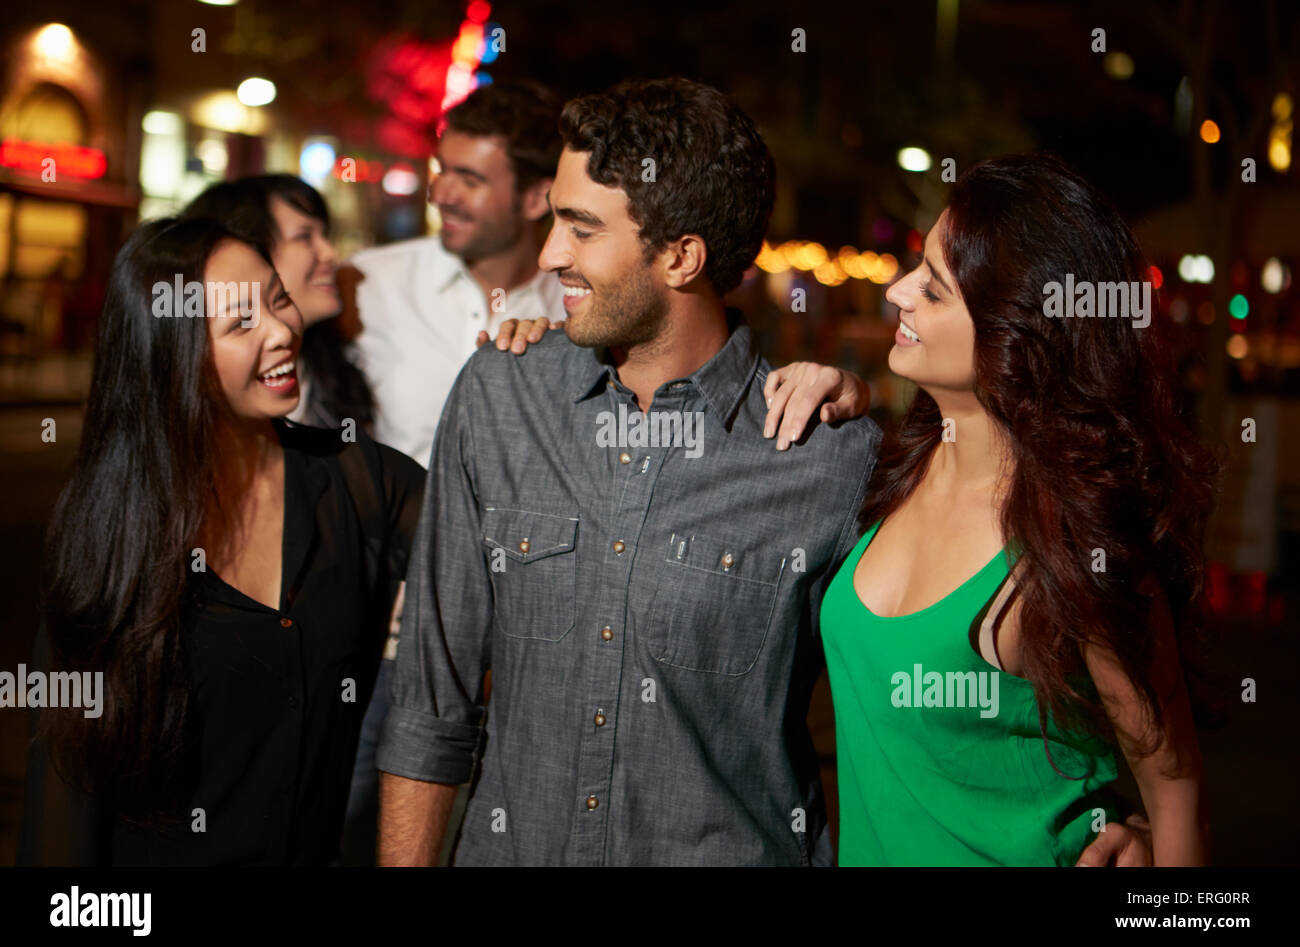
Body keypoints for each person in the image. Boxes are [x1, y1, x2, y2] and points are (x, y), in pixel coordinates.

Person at [376, 79, 1152, 865]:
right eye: (554, 222)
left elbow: (938, 681)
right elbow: (429, 708)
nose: (548, 256)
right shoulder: (500, 395)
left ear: (681, 257)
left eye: (580, 229)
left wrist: (1102, 823)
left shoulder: (830, 454)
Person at [820, 154, 1215, 865]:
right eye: (918, 266)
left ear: (1015, 335)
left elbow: (1176, 787)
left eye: (935, 290)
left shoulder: (1073, 542)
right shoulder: (889, 472)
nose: (900, 291)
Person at [18, 218, 424, 864]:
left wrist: (533, 374)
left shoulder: (361, 482)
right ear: (173, 354)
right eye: (240, 323)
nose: (281, 330)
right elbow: (64, 812)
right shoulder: (113, 536)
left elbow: (506, 561)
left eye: (277, 298)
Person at [351, 79, 569, 468]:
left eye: (470, 180)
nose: (443, 195)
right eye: (443, 171)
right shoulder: (368, 283)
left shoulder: (577, 307)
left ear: (537, 198)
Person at [181, 174, 375, 431]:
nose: (329, 253)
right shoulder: (196, 413)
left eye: (324, 235)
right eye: (304, 237)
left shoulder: (335, 372)